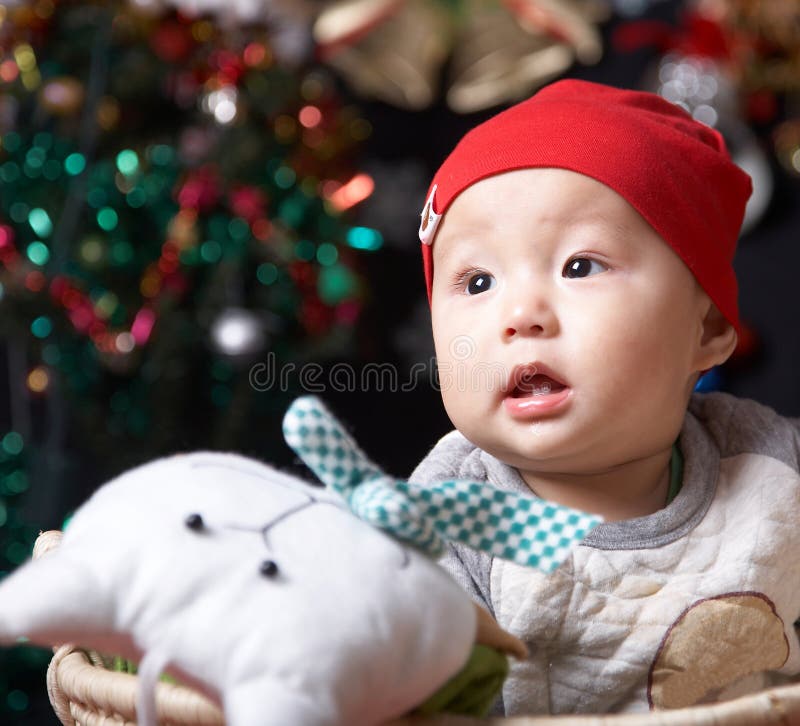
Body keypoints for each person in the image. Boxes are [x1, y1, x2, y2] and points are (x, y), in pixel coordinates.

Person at [411, 79, 800, 716]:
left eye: (580, 266)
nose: (520, 314)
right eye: (477, 281)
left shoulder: (768, 463)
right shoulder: (447, 522)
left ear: (703, 329)